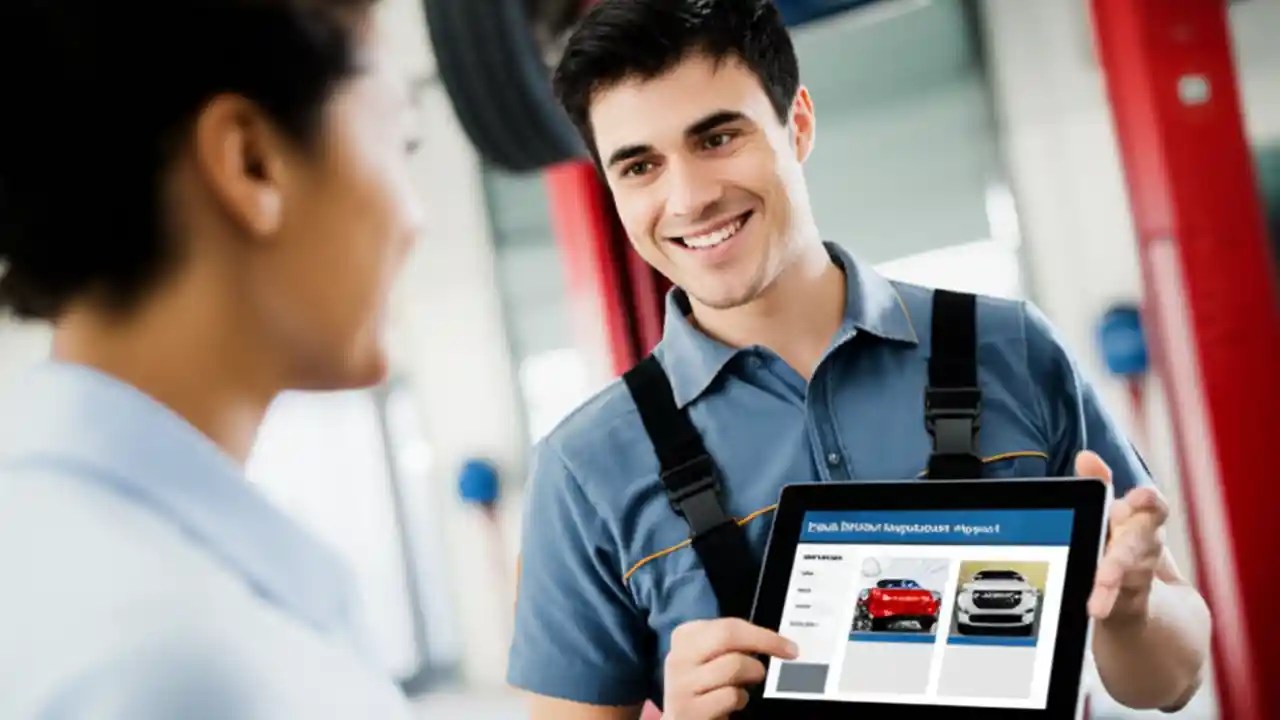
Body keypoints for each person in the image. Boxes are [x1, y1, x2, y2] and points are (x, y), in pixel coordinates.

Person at [507, 1, 1211, 718]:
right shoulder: (584, 470)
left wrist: (1130, 614)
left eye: (717, 137)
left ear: (799, 125)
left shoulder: (1013, 350)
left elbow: (1170, 682)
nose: (688, 197)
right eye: (640, 167)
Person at [0, 1, 423, 717]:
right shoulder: (174, 664)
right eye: (401, 143)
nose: (415, 216)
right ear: (250, 162)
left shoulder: (56, 554)